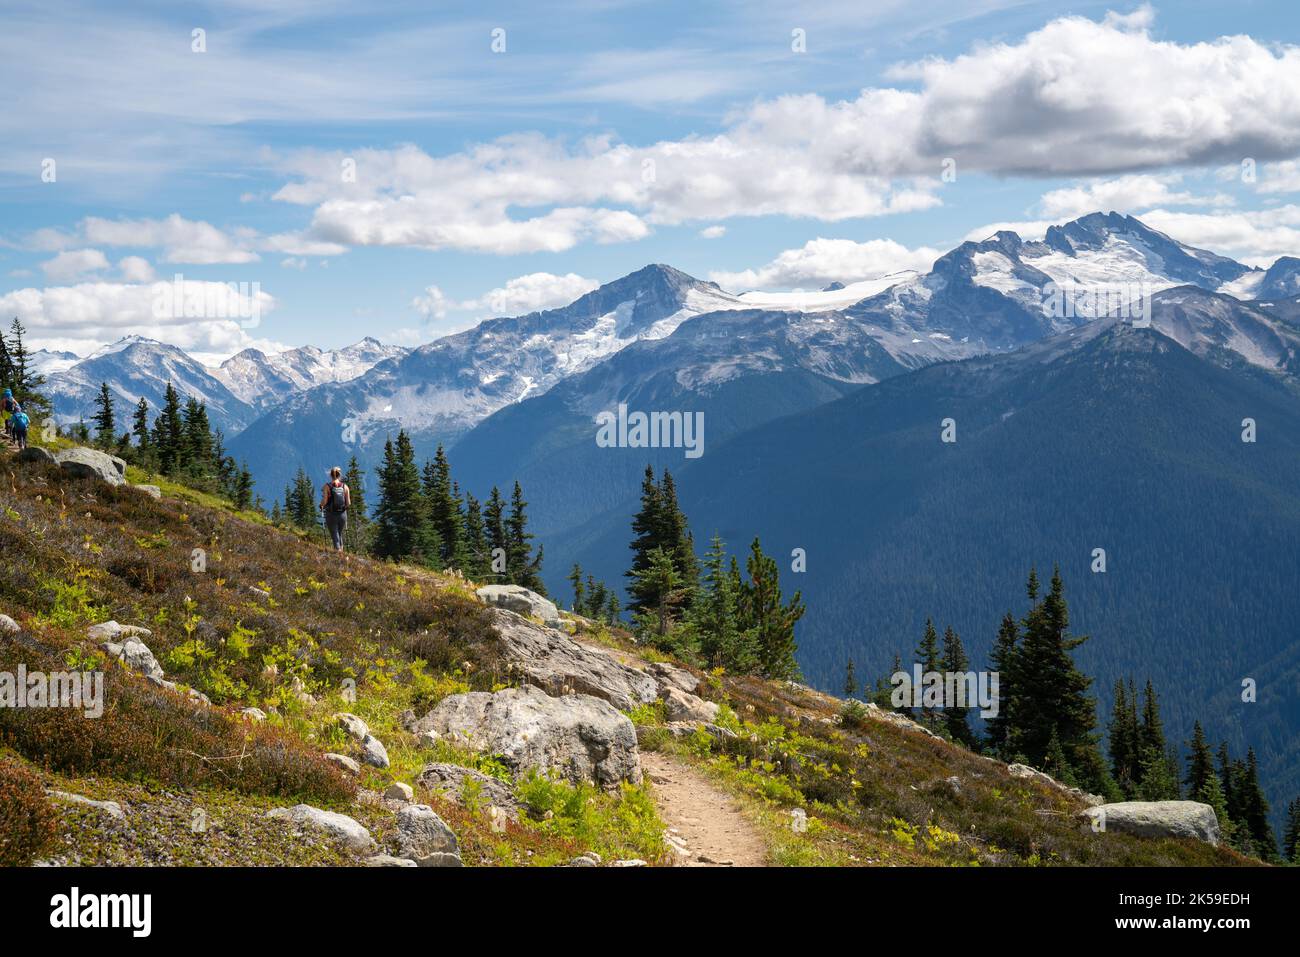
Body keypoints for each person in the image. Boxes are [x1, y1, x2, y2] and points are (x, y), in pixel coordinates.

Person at [319, 466, 351, 554]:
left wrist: (321, 505)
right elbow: (348, 503)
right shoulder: (345, 486)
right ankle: (342, 554)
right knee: (339, 534)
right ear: (339, 475)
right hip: (342, 515)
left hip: (331, 514)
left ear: (330, 475)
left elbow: (324, 501)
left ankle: (338, 556)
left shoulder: (327, 486)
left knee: (335, 536)